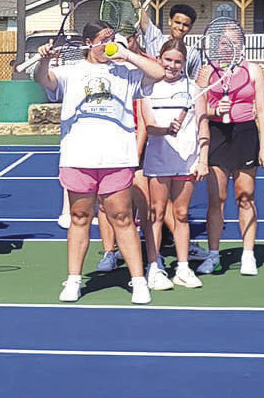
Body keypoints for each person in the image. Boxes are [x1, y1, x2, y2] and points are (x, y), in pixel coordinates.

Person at [32, 21, 166, 303]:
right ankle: (74, 281)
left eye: (113, 38)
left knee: (123, 218)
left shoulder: (126, 72)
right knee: (80, 218)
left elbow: (159, 72)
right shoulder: (71, 72)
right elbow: (43, 80)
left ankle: (139, 281)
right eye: (104, 38)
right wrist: (43, 61)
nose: (109, 42)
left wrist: (127, 53)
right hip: (78, 157)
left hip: (117, 157)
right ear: (89, 42)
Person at [197, 23, 264, 276]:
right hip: (217, 136)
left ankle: (248, 254)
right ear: (215, 45)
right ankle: (213, 255)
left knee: (245, 197)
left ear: (241, 44)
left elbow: (262, 111)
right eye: (222, 42)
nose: (227, 46)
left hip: (245, 135)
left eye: (233, 41)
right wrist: (213, 111)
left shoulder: (253, 70)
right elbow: (198, 110)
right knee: (216, 201)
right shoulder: (206, 72)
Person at [139, 39, 210, 290]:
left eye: (178, 61)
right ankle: (154, 267)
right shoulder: (147, 88)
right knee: (156, 213)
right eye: (167, 60)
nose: (172, 65)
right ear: (160, 59)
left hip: (186, 161)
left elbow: (203, 125)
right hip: (158, 161)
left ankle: (182, 268)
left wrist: (203, 159)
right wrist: (164, 129)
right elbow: (148, 126)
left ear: (184, 63)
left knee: (181, 214)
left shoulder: (194, 89)